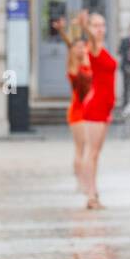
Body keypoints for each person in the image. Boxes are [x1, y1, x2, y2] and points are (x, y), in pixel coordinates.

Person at [75, 11, 117, 210]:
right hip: (96, 106)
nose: (100, 29)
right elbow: (91, 39)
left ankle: (93, 192)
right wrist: (84, 27)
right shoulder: (92, 46)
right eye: (96, 25)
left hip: (105, 106)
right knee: (91, 152)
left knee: (96, 153)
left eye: (103, 25)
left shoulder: (102, 48)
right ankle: (90, 195)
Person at [54, 16, 94, 199]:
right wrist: (62, 32)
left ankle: (85, 181)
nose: (82, 49)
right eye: (78, 47)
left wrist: (84, 27)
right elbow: (72, 48)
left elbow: (91, 43)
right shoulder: (74, 65)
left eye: (83, 46)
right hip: (77, 112)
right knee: (81, 148)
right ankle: (80, 182)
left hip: (88, 111)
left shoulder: (86, 58)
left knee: (87, 148)